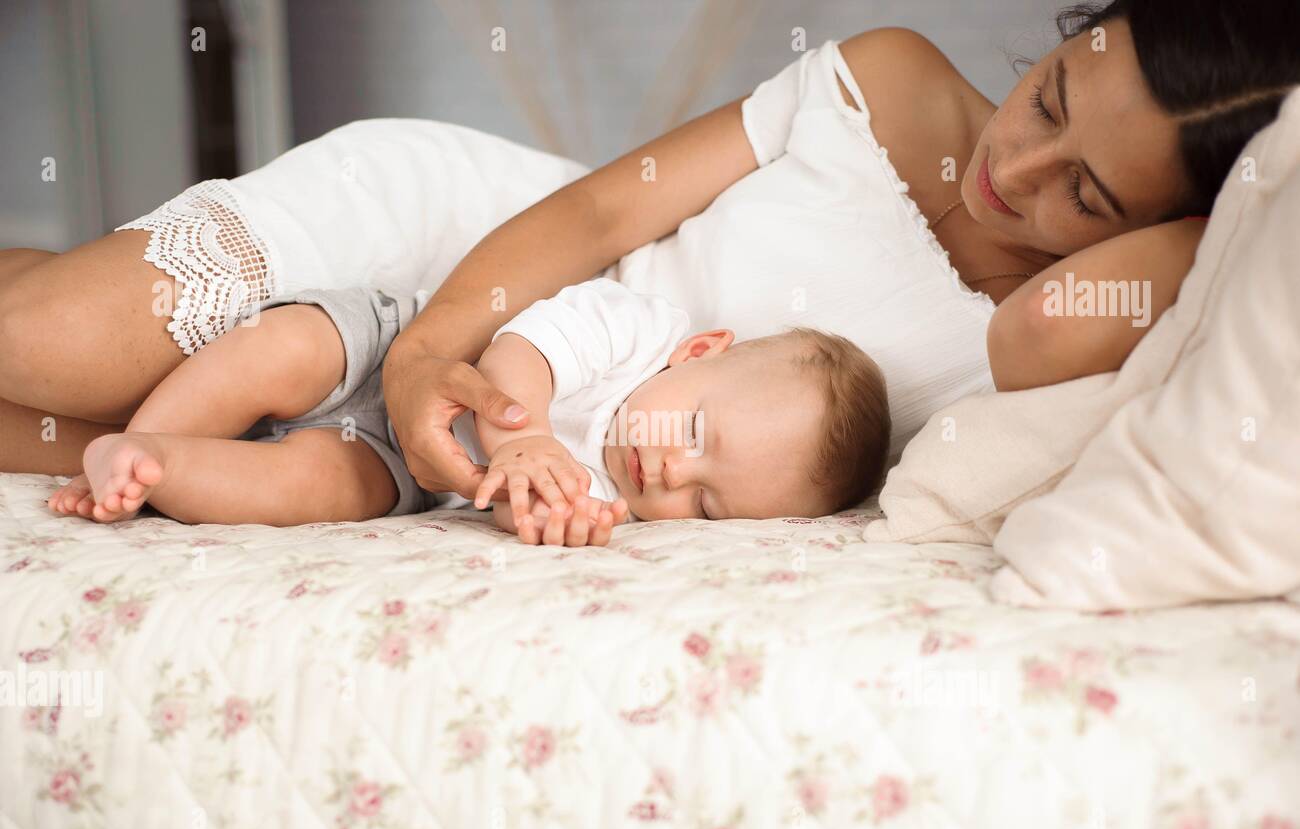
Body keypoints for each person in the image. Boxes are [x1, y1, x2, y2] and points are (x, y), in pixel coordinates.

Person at [3, 1, 1297, 502]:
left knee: (76, 434)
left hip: (527, 407)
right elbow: (605, 216)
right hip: (482, 247)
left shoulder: (1072, 323)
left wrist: (1241, 179)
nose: (1015, 171)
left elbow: (1034, 328)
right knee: (57, 348)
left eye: (1085, 188)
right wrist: (433, 354)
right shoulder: (893, 82)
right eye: (1054, 95)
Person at [45, 278, 889, 546]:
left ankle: (150, 468)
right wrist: (522, 438)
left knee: (315, 485)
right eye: (697, 434)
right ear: (699, 353)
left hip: (406, 468)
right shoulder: (634, 330)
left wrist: (555, 517)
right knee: (285, 351)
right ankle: (149, 425)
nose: (672, 472)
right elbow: (522, 350)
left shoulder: (620, 502)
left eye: (705, 502)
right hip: (390, 355)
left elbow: (529, 511)